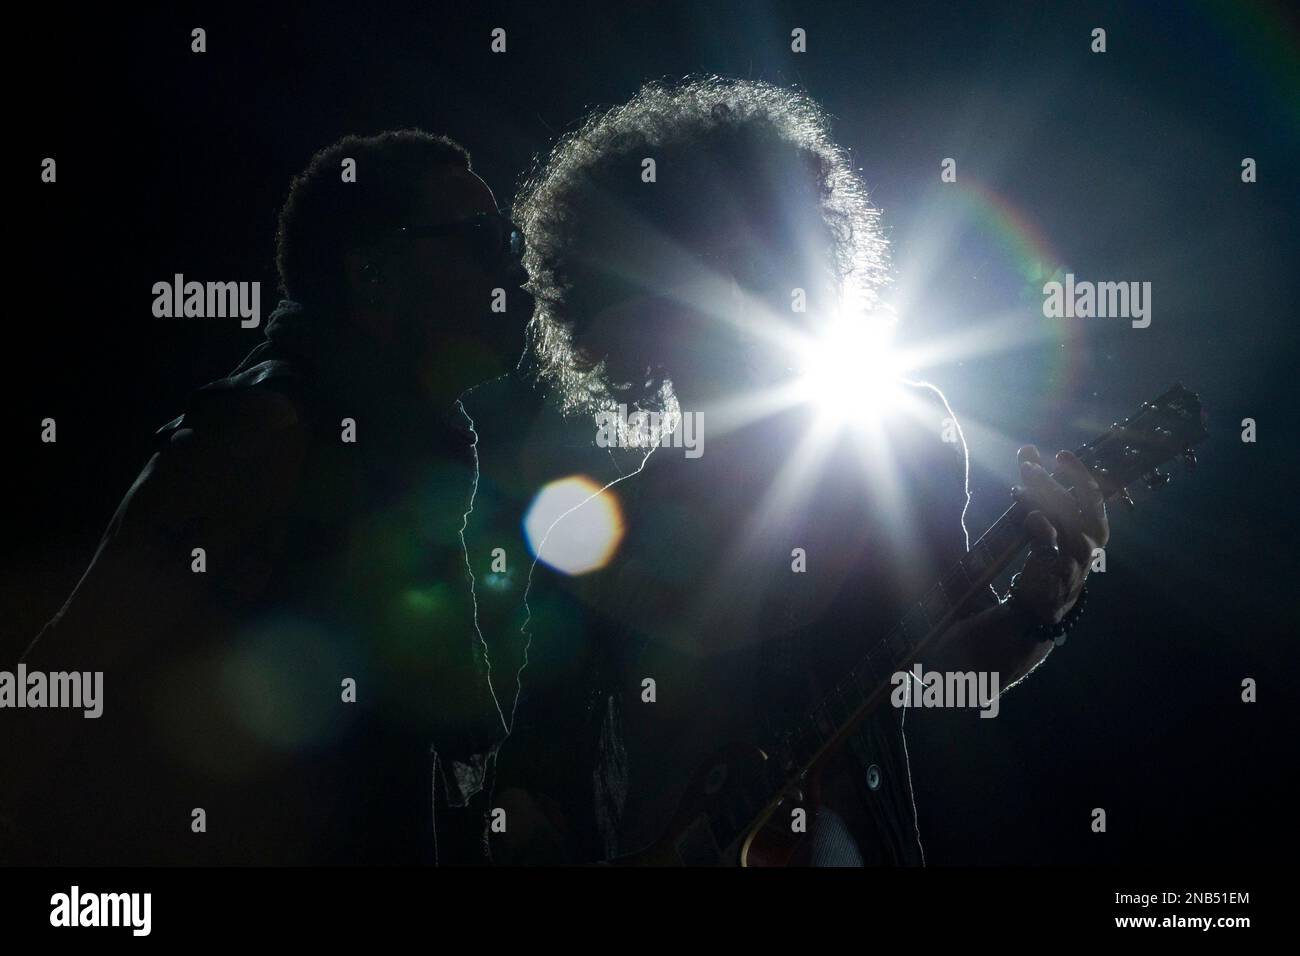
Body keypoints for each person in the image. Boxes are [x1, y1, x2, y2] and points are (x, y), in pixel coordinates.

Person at [474, 78, 1106, 865]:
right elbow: (536, 769)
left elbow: (939, 685)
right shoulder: (596, 532)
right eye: (693, 279)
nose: (737, 301)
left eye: (761, 266)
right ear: (627, 322)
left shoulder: (898, 449)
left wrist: (1040, 611)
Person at [2, 129, 529, 864]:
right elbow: (55, 685)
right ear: (372, 273)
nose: (514, 266)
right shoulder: (266, 432)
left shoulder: (407, 454)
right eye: (483, 239)